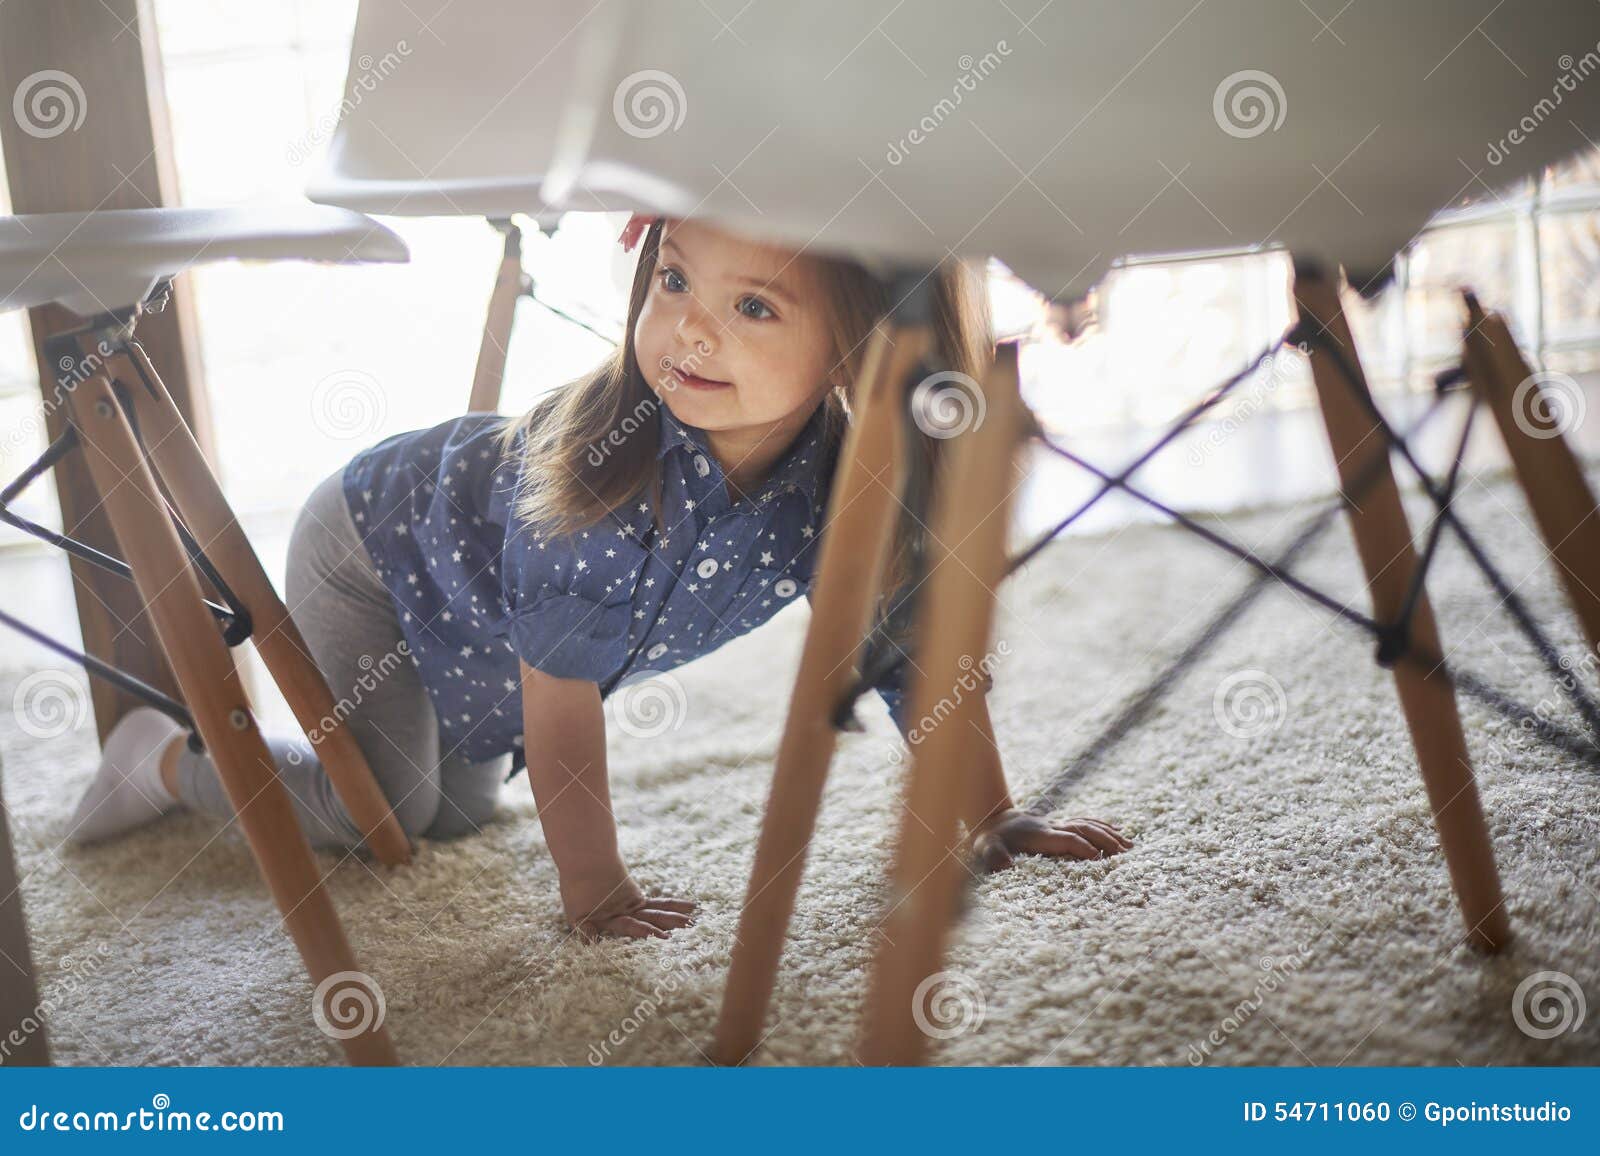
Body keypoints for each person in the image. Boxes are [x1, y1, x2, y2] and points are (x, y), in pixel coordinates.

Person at [66, 215, 1130, 939]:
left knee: (451, 819)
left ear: (852, 353)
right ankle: (161, 759)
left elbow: (906, 653)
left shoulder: (834, 485)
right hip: (374, 552)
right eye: (672, 280)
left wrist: (988, 816)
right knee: (379, 811)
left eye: (753, 307)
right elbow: (564, 709)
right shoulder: (609, 488)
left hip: (481, 604)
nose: (691, 326)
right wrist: (595, 884)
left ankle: (337, 761)